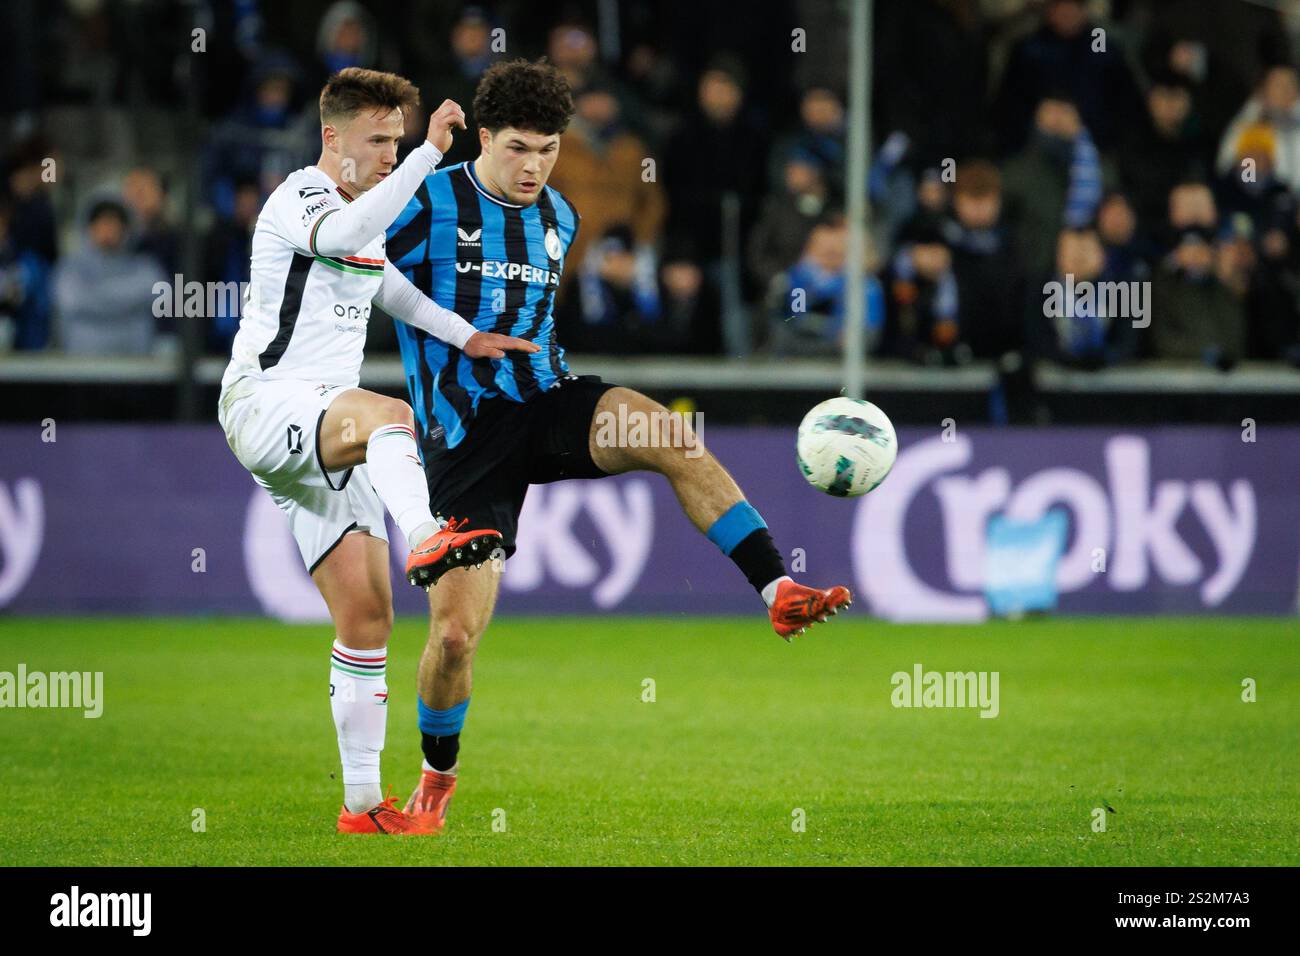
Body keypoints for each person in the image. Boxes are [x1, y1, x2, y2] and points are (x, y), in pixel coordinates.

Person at [386, 58, 853, 832]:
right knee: (457, 636)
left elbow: (540, 316)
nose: (535, 166)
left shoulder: (561, 218)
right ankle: (436, 780)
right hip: (464, 438)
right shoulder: (425, 200)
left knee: (670, 432)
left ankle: (777, 591)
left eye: (549, 149)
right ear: (485, 138)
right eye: (518, 149)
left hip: (547, 400)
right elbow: (352, 268)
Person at [216, 67, 538, 836]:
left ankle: (361, 807)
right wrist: (433, 153)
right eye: (380, 140)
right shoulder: (302, 198)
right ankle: (428, 537)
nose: (393, 154)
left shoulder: (362, 211)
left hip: (328, 424)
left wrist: (468, 336)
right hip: (267, 402)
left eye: (399, 140)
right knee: (391, 415)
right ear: (333, 138)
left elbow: (386, 285)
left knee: (367, 617)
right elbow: (348, 239)